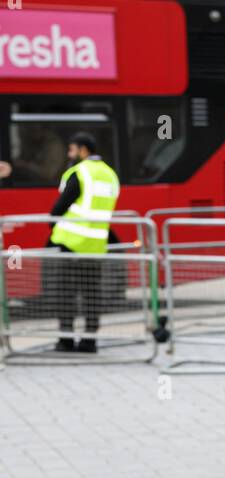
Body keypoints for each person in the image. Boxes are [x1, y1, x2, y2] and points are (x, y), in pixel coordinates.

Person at [47, 131, 120, 353]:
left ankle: (66, 340)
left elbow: (59, 208)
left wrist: (54, 229)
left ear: (83, 150)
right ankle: (89, 341)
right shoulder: (110, 175)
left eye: (71, 150)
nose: (69, 154)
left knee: (65, 293)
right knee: (92, 294)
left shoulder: (79, 172)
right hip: (96, 245)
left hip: (71, 243)